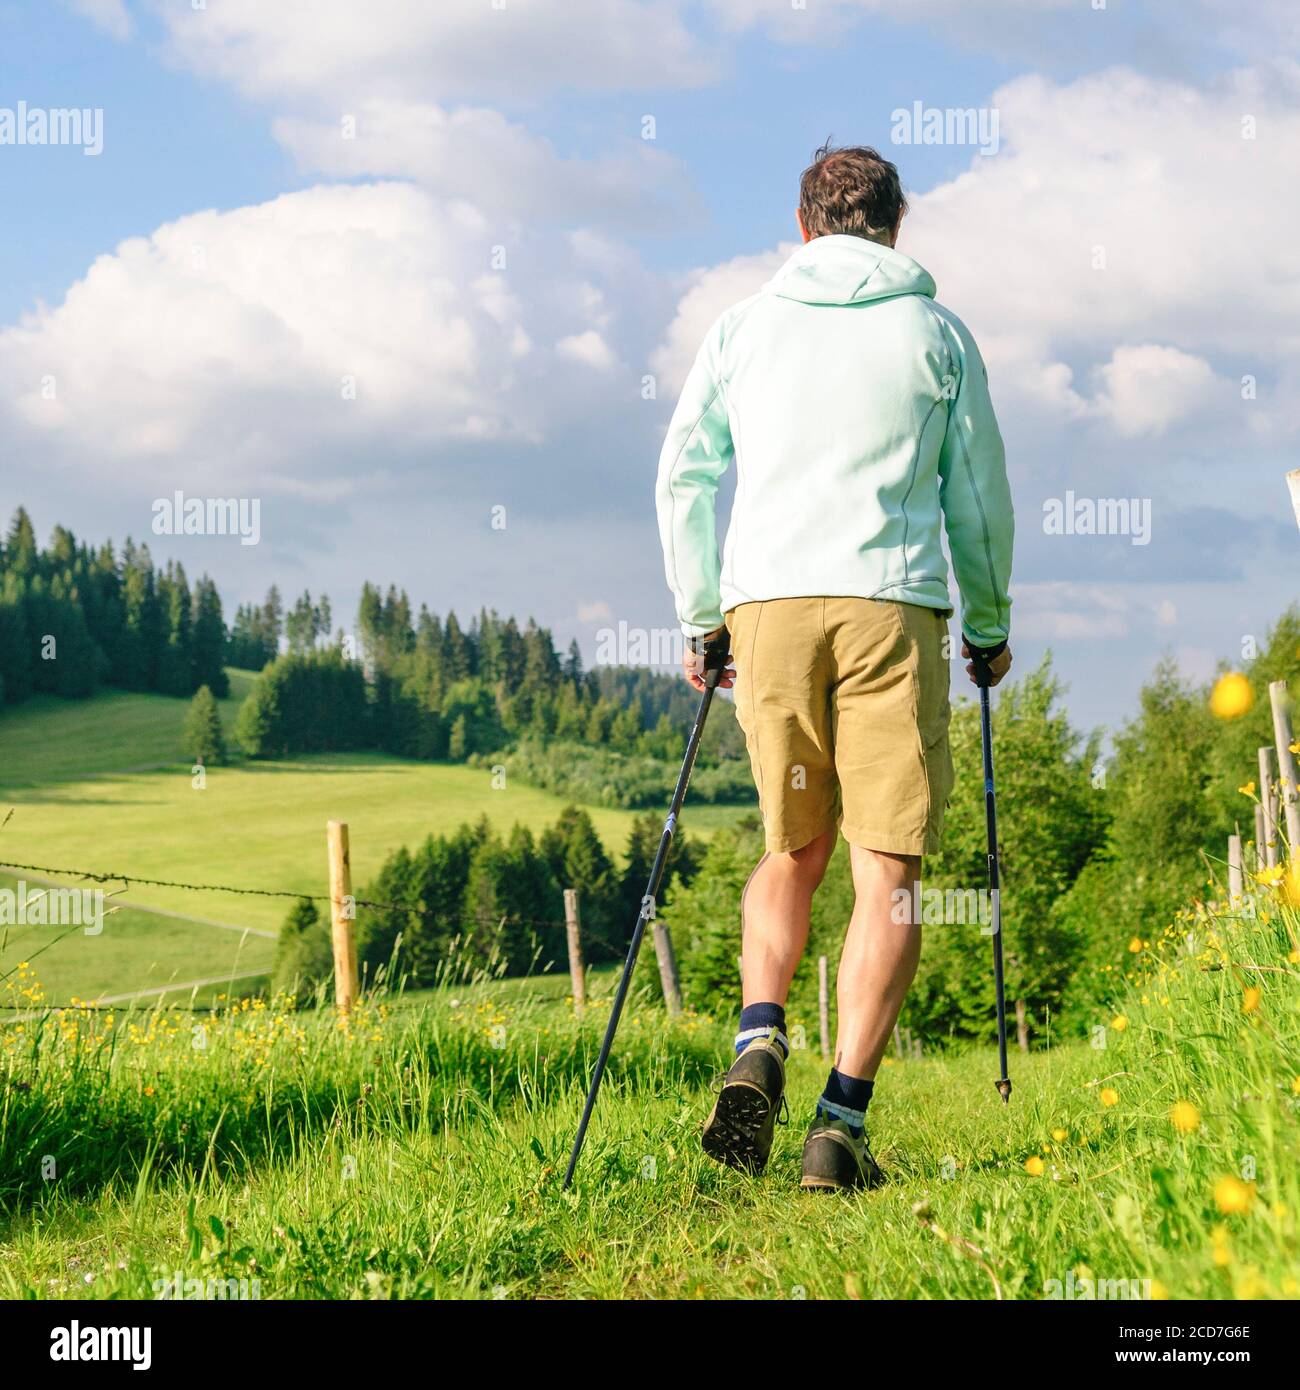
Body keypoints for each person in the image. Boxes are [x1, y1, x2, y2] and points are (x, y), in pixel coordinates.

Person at [654, 141, 1014, 1191]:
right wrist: (987, 624)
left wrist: (702, 617)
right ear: (897, 227)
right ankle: (838, 1128)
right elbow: (976, 496)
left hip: (768, 608)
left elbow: (684, 476)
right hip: (890, 607)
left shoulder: (741, 327)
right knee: (886, 871)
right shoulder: (937, 333)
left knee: (791, 849)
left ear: (803, 226)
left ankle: (758, 1034)